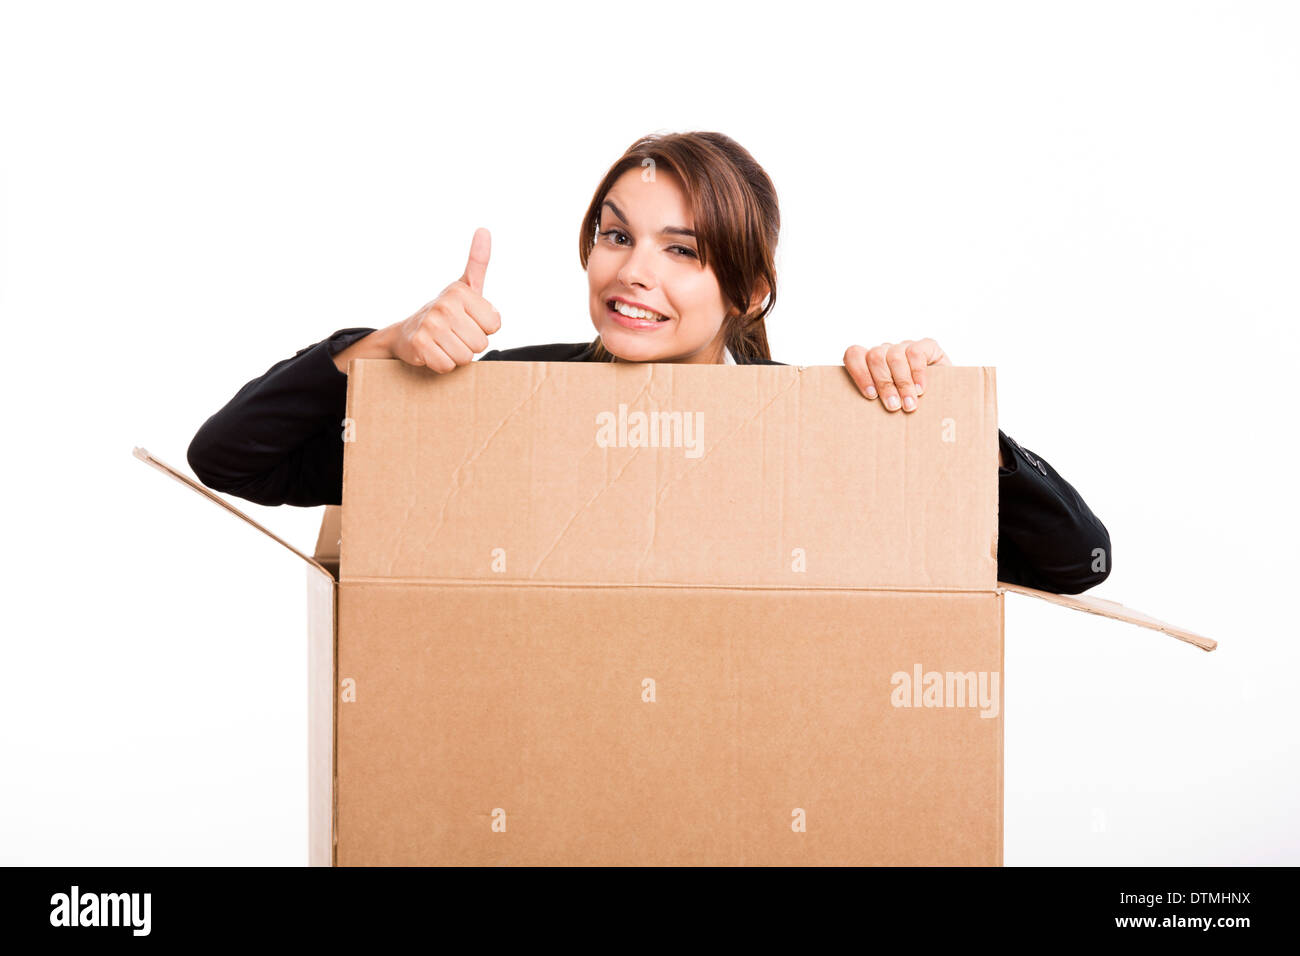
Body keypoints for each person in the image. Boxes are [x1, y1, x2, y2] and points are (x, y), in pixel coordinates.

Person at [187, 131, 1111, 595]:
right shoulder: (498, 407)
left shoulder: (819, 431)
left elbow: (1078, 560)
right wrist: (377, 350)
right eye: (615, 236)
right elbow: (232, 459)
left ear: (749, 292)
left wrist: (946, 427)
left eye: (683, 250)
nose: (632, 273)